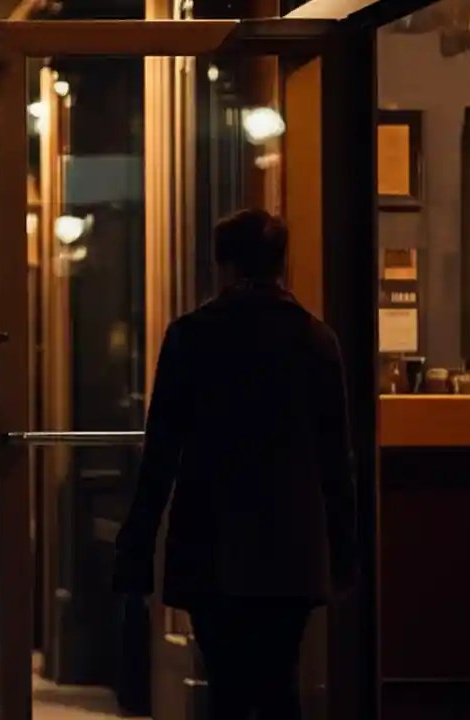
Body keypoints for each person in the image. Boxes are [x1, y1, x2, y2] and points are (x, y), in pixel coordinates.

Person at [113, 209, 357, 720]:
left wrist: (138, 539)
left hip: (213, 538)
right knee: (279, 679)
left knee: (226, 684)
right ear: (280, 263)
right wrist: (344, 548)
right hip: (292, 543)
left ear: (221, 264)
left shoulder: (192, 337)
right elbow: (337, 459)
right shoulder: (316, 340)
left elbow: (161, 452)